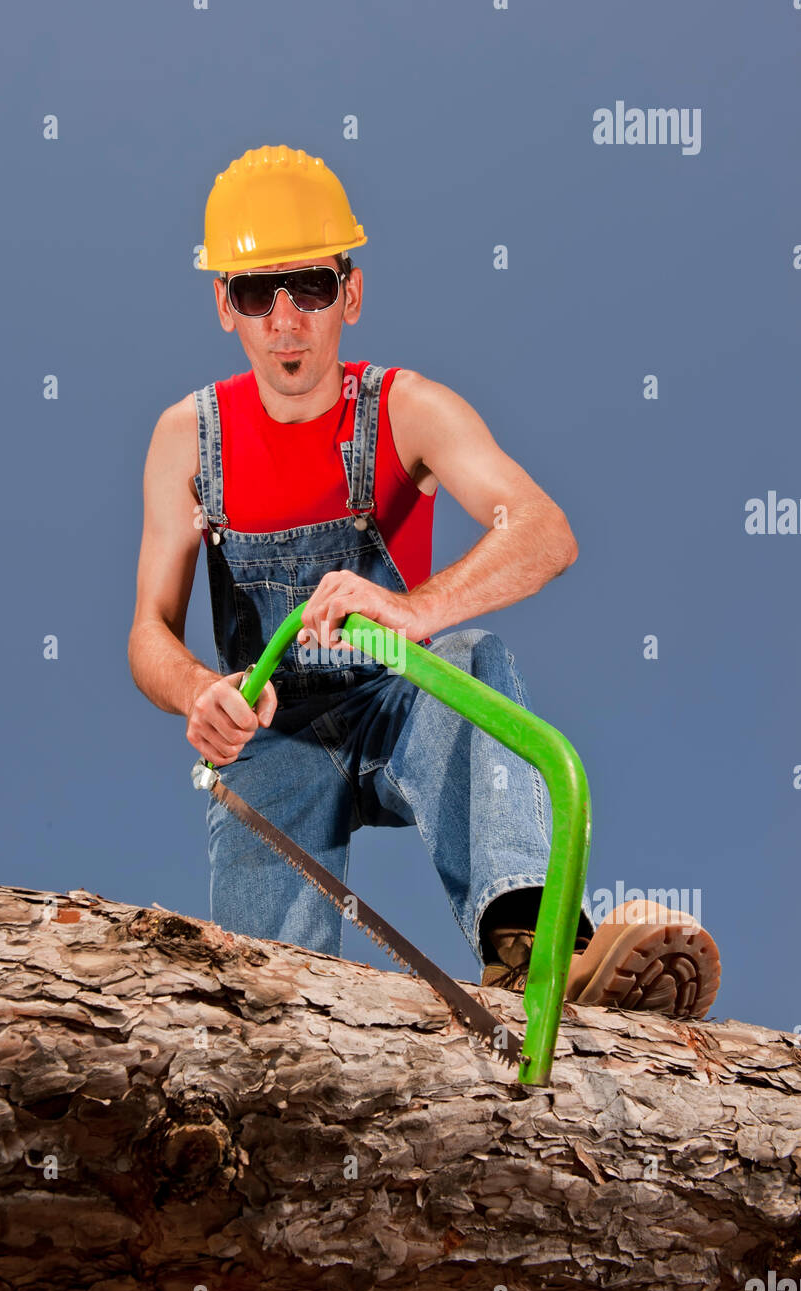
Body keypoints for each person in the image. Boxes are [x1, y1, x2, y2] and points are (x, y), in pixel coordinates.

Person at [128, 143, 721, 1020]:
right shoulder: (188, 437)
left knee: (469, 657)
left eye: (312, 288)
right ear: (225, 305)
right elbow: (149, 630)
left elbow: (544, 532)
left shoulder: (407, 410)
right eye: (258, 293)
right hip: (271, 733)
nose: (286, 321)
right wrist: (197, 694)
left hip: (400, 703)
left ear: (351, 294)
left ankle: (532, 945)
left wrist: (414, 610)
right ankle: (275, 1040)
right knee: (263, 1007)